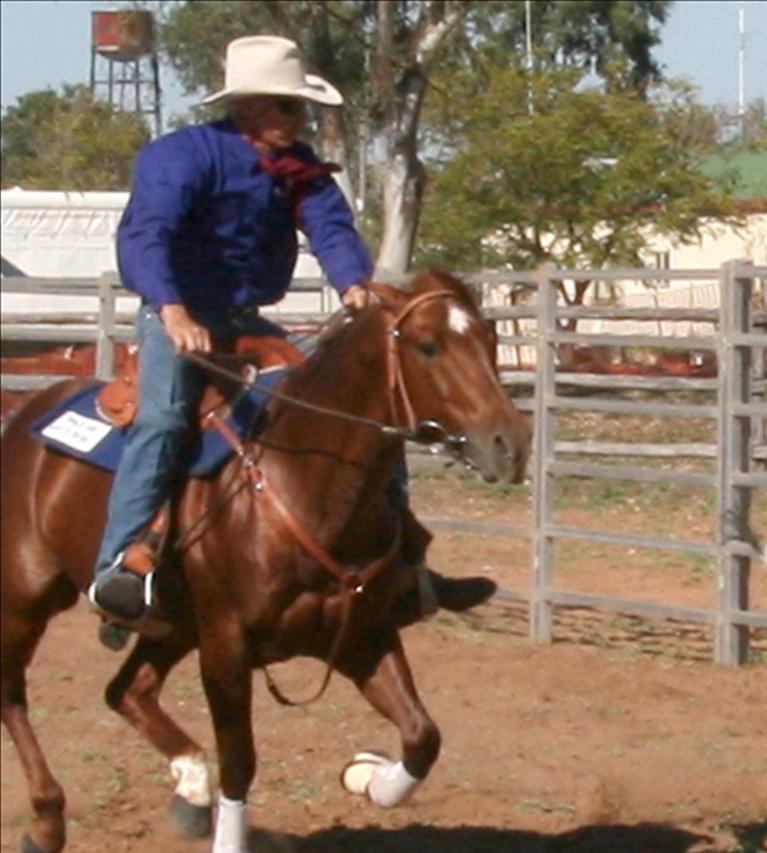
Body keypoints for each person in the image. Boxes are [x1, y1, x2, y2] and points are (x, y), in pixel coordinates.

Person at [89, 34, 493, 624]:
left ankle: (405, 560)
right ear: (249, 106)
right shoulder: (181, 157)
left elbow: (331, 228)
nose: (299, 118)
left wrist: (355, 283)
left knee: (371, 404)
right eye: (289, 106)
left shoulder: (298, 168)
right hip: (179, 315)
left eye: (299, 107)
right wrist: (172, 311)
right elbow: (146, 236)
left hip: (247, 322)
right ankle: (117, 567)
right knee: (163, 417)